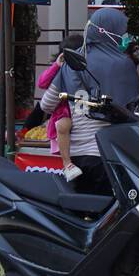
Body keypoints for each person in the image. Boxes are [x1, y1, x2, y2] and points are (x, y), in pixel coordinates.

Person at [39, 8, 139, 196]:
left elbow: (46, 105)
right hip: (110, 154)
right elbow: (135, 110)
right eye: (121, 30)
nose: (123, 36)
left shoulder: (73, 60)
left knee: (83, 212)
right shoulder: (123, 65)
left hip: (76, 157)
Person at [33, 33, 85, 183]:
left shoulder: (86, 69)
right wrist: (56, 65)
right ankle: (67, 164)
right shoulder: (61, 69)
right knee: (63, 125)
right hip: (63, 112)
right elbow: (42, 83)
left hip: (79, 112)